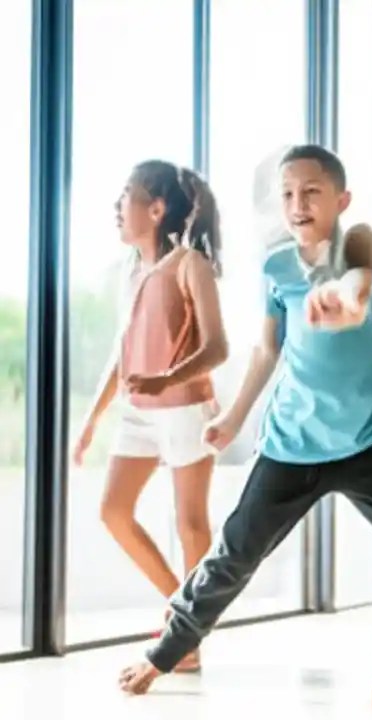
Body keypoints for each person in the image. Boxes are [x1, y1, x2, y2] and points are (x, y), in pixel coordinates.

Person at [117, 145, 372, 714]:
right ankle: (166, 651)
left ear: (340, 199)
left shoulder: (357, 242)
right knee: (232, 556)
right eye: (287, 194)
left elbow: (359, 282)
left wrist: (345, 299)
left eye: (311, 191)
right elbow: (266, 351)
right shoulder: (275, 266)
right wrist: (232, 417)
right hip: (291, 441)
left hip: (368, 438)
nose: (297, 203)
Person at [73, 161, 227, 673]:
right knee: (113, 511)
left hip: (184, 409)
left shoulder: (190, 265)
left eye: (126, 195)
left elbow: (218, 347)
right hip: (139, 415)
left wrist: (166, 378)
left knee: (190, 523)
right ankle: (184, 614)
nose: (116, 207)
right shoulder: (130, 271)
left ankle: (186, 639)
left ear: (156, 209)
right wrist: (94, 419)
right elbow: (122, 355)